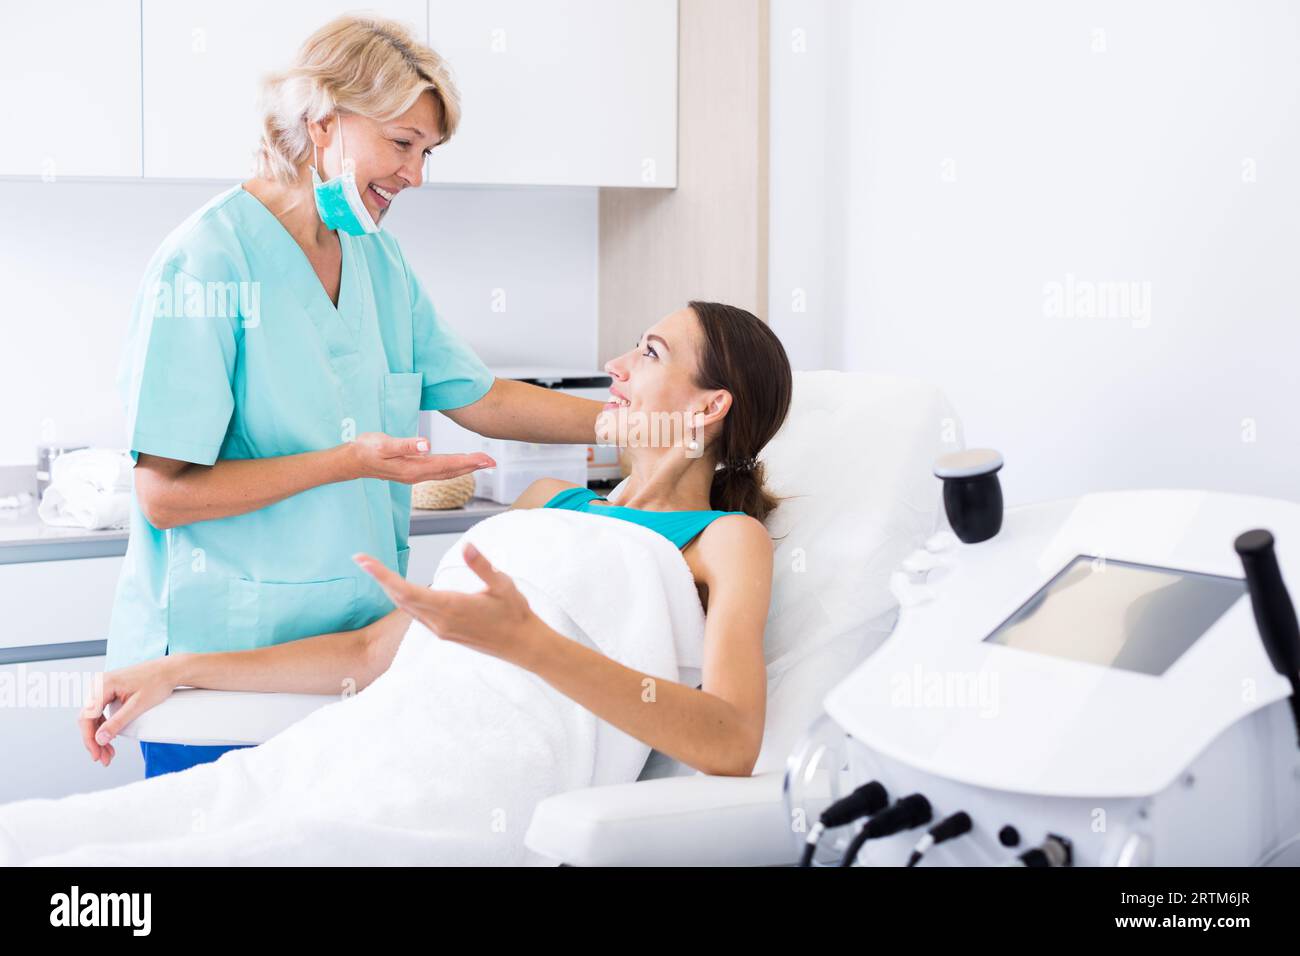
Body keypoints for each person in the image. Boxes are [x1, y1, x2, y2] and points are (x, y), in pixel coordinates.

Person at [108, 14, 606, 778]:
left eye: (426, 152)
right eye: (402, 143)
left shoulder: (377, 259)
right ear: (323, 119)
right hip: (223, 665)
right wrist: (347, 462)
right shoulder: (205, 263)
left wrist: (639, 427)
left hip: (354, 654)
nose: (416, 175)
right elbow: (165, 495)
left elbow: (481, 397)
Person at [85, 302, 793, 780]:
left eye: (649, 352)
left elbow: (731, 741)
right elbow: (370, 655)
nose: (616, 363)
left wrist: (532, 645)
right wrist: (178, 669)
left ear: (709, 405)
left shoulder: (725, 541)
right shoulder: (548, 502)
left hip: (488, 775)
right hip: (390, 739)